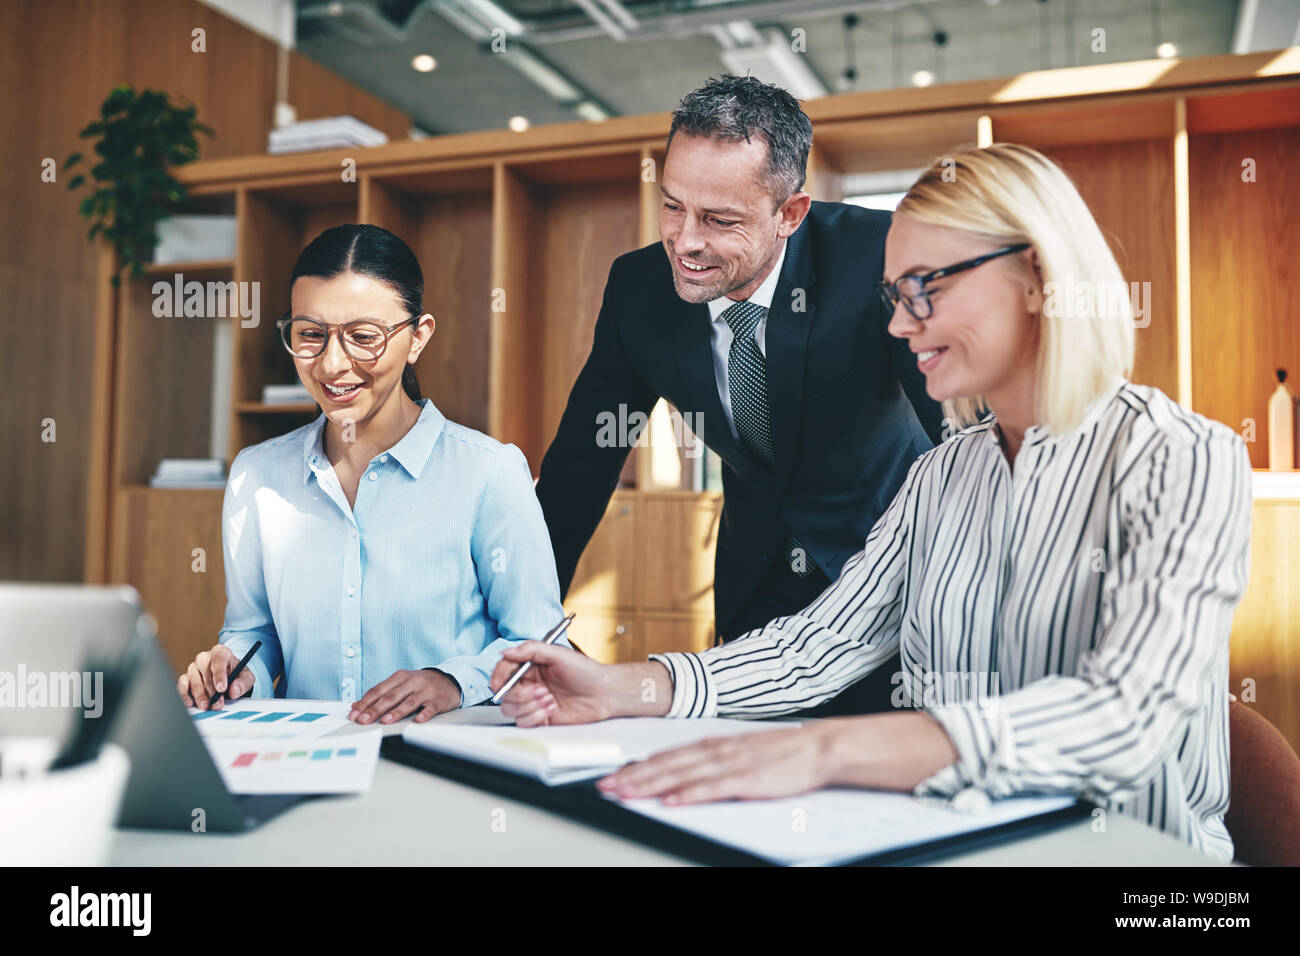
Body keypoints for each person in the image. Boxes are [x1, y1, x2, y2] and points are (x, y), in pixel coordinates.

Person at [492, 144, 1253, 860]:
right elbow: (816, 647)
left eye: (928, 287)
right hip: (952, 842)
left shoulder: (1183, 459)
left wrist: (827, 748)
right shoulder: (941, 478)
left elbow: (1127, 714)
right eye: (893, 294)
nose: (896, 323)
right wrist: (627, 687)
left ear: (1037, 275)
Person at [535, 75, 942, 716]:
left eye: (720, 220)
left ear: (790, 214)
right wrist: (531, 619)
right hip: (756, 584)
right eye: (672, 207)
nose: (686, 242)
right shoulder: (639, 289)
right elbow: (579, 466)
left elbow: (962, 441)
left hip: (893, 579)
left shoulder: (877, 256)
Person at [177, 224, 565, 725]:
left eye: (363, 337)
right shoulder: (257, 476)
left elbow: (538, 642)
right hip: (304, 757)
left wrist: (452, 682)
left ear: (418, 337)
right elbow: (255, 633)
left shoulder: (489, 473)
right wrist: (238, 669)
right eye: (310, 335)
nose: (333, 364)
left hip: (439, 758)